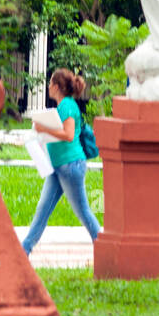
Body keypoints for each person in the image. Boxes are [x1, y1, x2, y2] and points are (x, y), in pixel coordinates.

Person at [21, 69, 101, 256]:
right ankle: (24, 250)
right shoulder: (62, 106)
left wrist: (44, 128)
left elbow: (68, 134)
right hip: (58, 168)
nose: (48, 86)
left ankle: (103, 246)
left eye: (50, 83)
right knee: (42, 210)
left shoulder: (67, 106)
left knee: (82, 211)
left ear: (56, 86)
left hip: (71, 166)